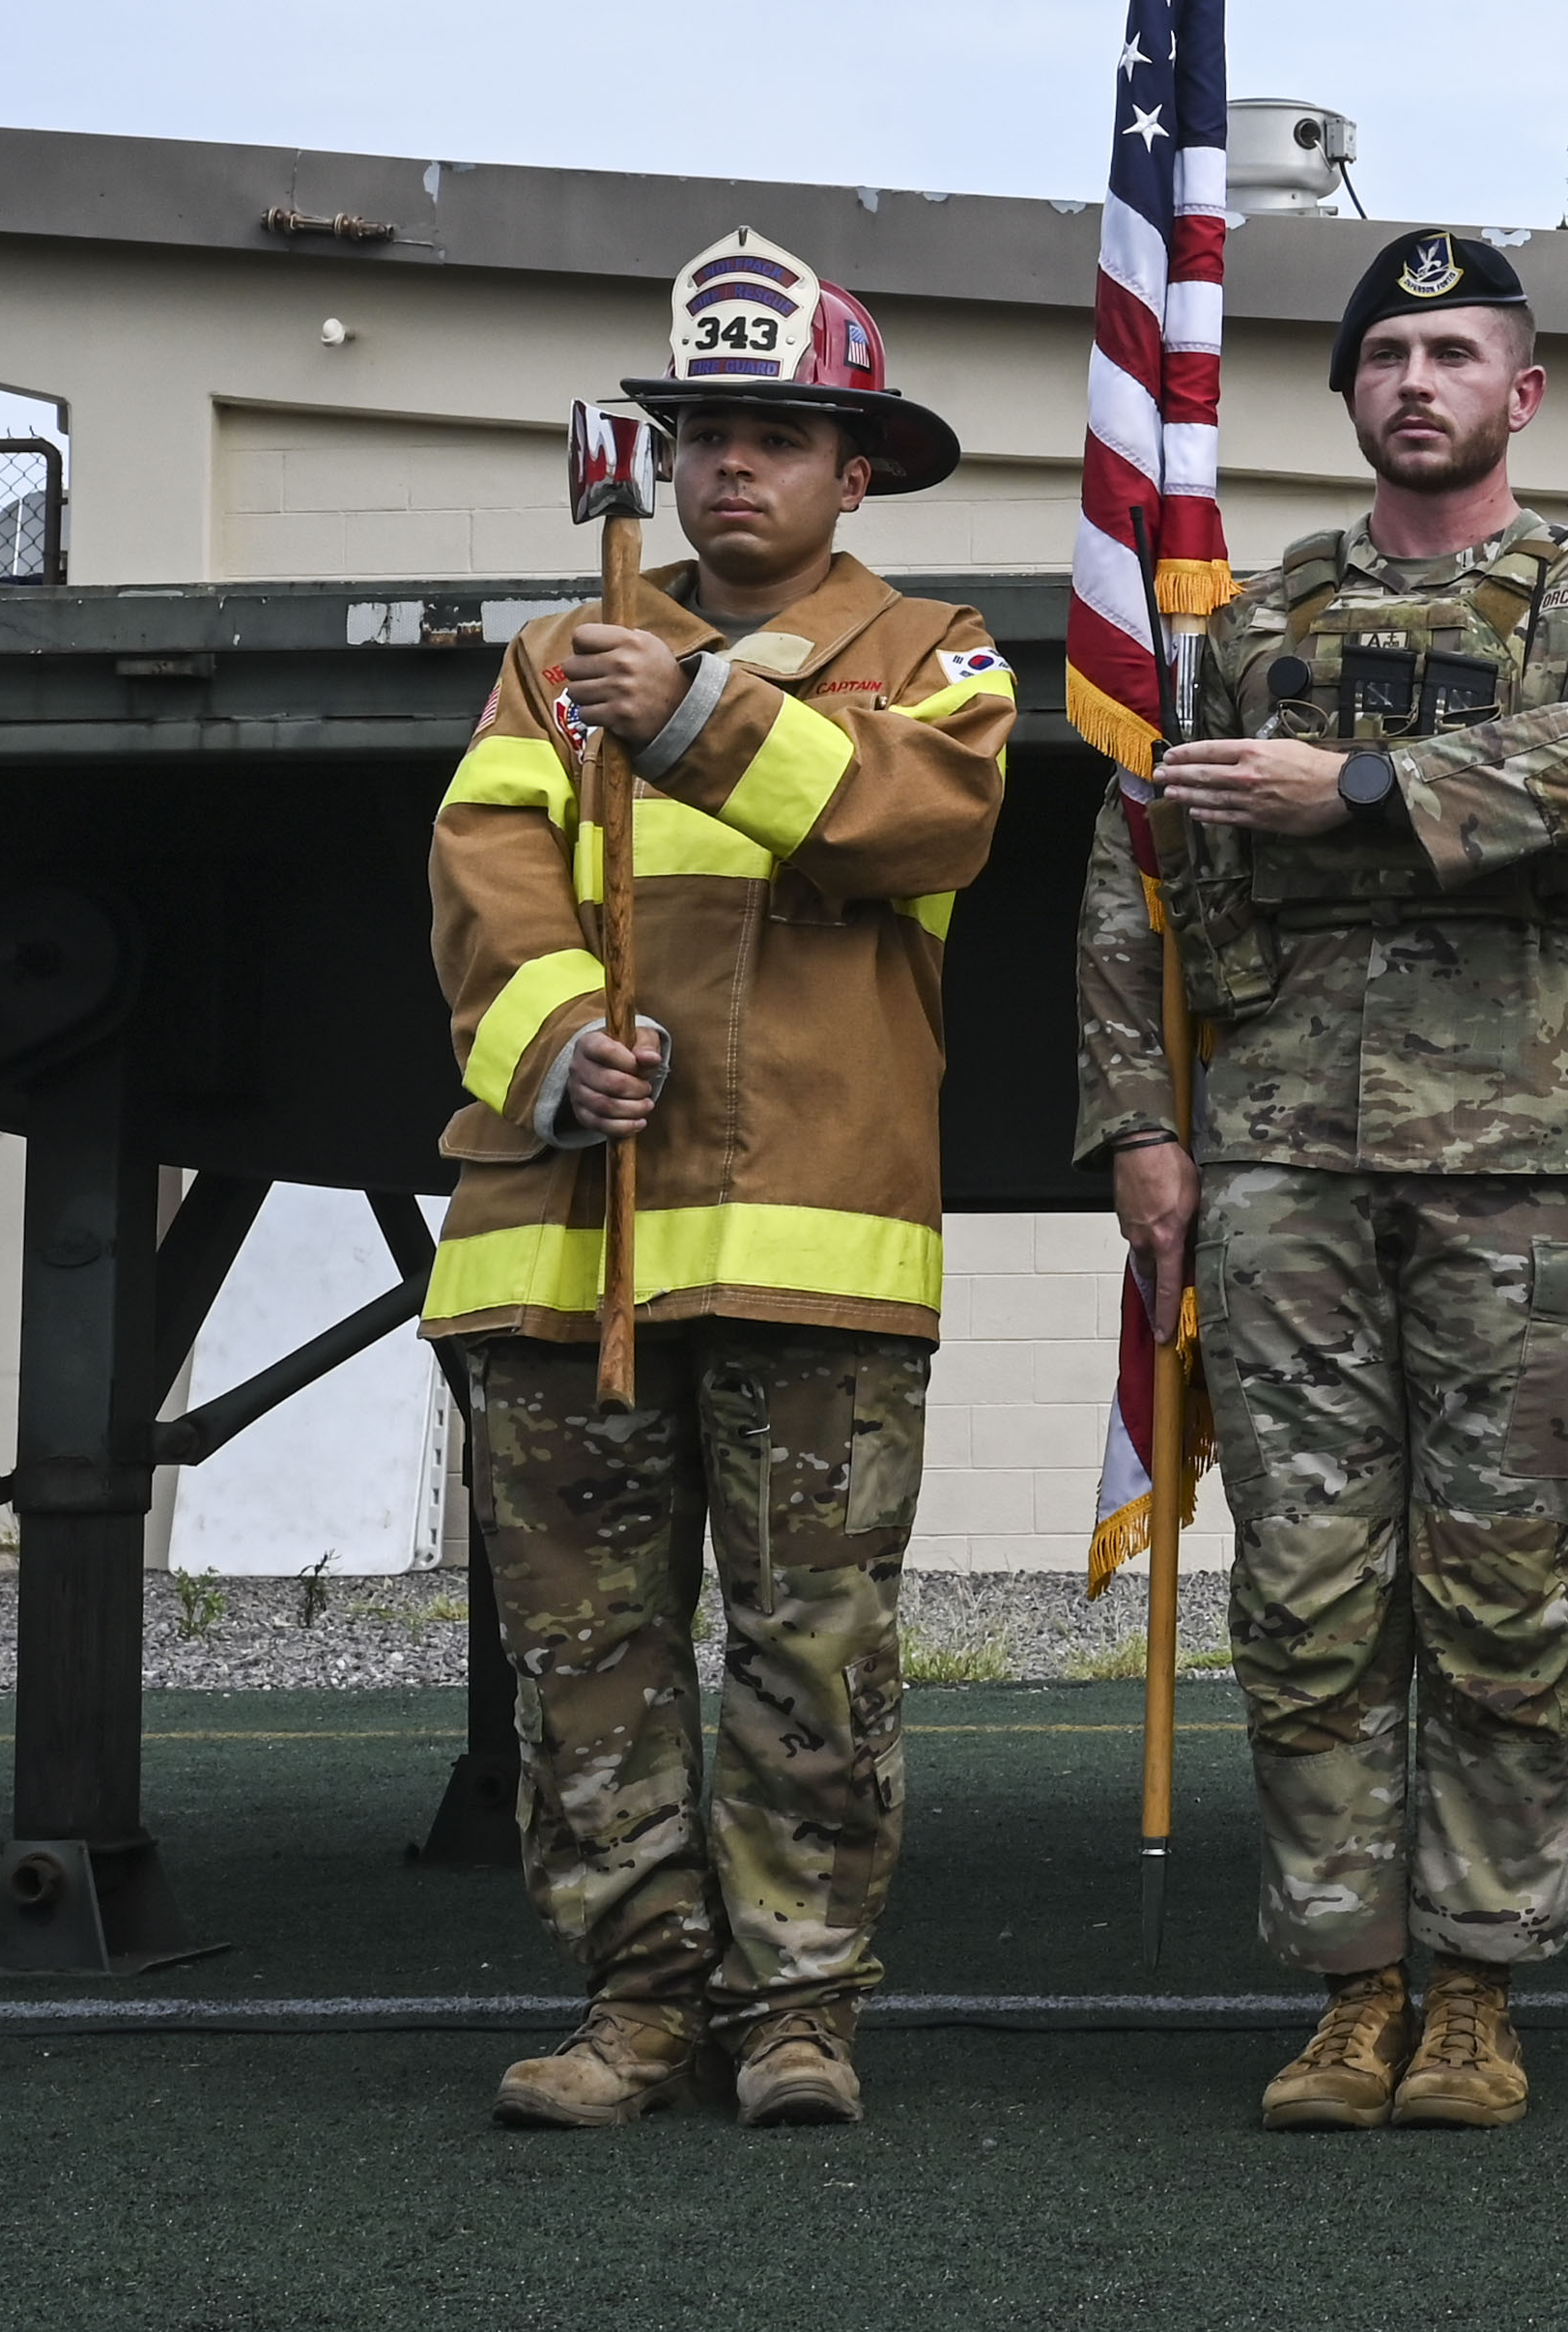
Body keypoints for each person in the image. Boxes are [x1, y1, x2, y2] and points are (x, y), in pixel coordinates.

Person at [1077, 227, 1568, 2134]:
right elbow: (1128, 875)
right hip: (1274, 1157)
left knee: (1500, 1588)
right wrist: (1139, 1124)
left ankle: (1476, 1989)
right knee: (1305, 1586)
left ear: (1522, 393)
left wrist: (1350, 791)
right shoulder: (1245, 619)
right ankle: (1350, 1987)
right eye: (1387, 353)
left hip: (1513, 1161)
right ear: (1349, 392)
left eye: (1457, 351)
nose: (1418, 379)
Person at [424, 234, 1013, 2130]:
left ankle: (799, 2012)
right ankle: (638, 2004)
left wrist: (682, 706)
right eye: (699, 434)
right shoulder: (541, 663)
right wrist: (549, 1039)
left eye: (776, 434)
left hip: (815, 1253)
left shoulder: (938, 653)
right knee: (587, 1654)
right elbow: (485, 887)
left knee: (809, 1650)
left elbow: (916, 824)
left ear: (861, 470)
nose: (729, 466)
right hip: (561, 1233)